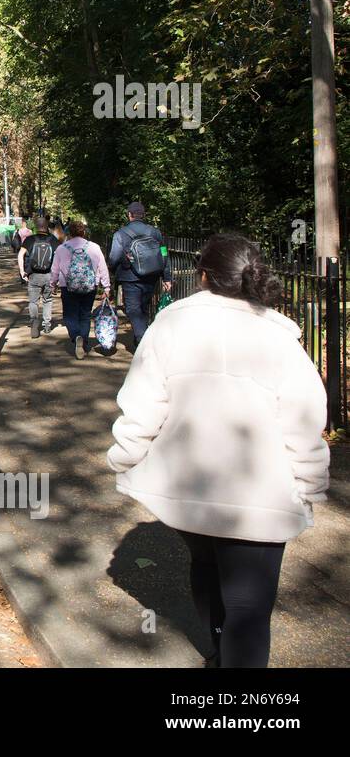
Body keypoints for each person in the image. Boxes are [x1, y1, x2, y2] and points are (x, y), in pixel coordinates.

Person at [108, 235, 329, 667]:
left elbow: (142, 404)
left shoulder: (171, 324)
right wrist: (310, 483)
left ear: (204, 275)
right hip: (261, 491)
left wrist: (125, 455)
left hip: (191, 484)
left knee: (205, 566)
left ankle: (216, 650)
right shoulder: (280, 336)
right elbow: (304, 419)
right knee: (250, 605)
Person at [107, 201, 173, 352]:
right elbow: (164, 254)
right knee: (143, 308)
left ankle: (143, 343)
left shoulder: (120, 234)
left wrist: (111, 271)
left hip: (130, 277)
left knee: (133, 310)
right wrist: (167, 277)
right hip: (152, 276)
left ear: (129, 215)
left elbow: (114, 258)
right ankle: (139, 340)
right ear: (143, 215)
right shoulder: (155, 232)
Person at [49, 220, 110, 358]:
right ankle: (84, 340)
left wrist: (52, 284)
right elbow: (103, 267)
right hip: (90, 286)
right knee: (85, 314)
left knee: (70, 314)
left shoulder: (61, 248)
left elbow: (55, 270)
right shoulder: (94, 247)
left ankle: (76, 336)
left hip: (67, 287)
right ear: (83, 232)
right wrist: (106, 287)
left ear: (69, 233)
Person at [18, 214, 59, 338]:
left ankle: (34, 321)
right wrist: (57, 277)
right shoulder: (53, 240)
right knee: (48, 300)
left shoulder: (30, 240)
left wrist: (22, 271)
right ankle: (47, 325)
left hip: (33, 275)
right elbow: (58, 257)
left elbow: (20, 255)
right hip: (48, 275)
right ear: (46, 226)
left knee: (33, 301)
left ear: (36, 226)